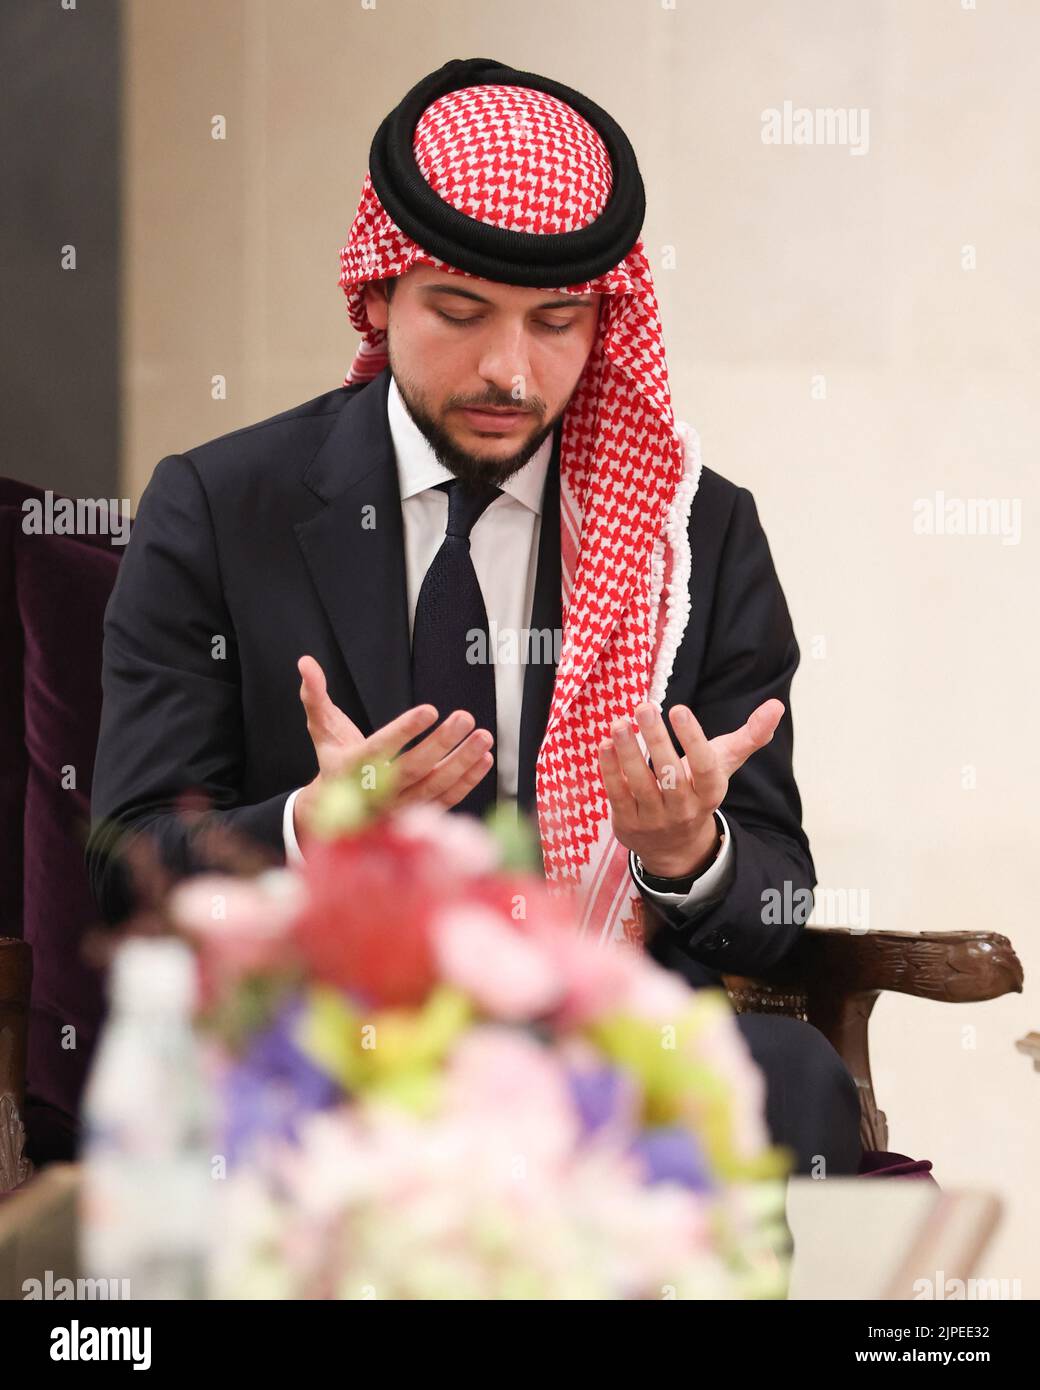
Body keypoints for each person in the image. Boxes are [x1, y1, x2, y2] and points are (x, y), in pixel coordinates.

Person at [86, 57, 862, 1176]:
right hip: (322, 1034)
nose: (510, 370)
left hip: (598, 1033)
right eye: (460, 312)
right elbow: (129, 859)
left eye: (556, 322)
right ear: (376, 295)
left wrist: (687, 850)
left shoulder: (689, 536)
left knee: (784, 1080)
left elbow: (774, 898)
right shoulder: (219, 508)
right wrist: (312, 825)